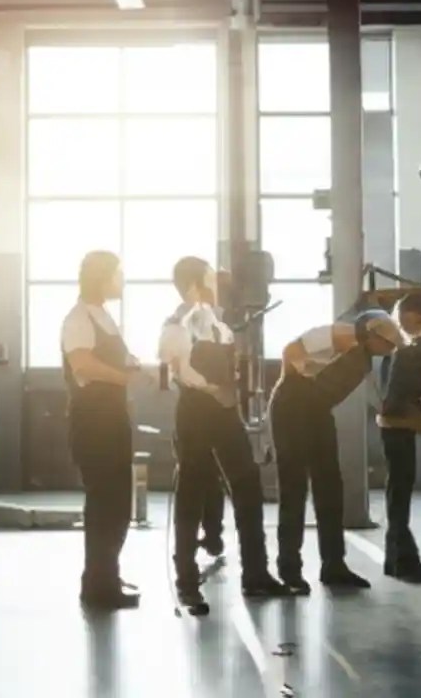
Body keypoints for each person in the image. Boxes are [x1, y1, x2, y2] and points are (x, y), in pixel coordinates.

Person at [159, 257, 290, 610]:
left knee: (247, 483)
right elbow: (177, 368)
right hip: (196, 411)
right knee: (192, 490)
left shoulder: (217, 323)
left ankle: (256, 574)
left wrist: (229, 392)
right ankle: (186, 582)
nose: (218, 285)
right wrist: (213, 390)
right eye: (210, 280)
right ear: (193, 288)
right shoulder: (176, 326)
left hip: (225, 413)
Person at [272, 309, 406, 594]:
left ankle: (334, 565)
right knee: (294, 488)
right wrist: (304, 371)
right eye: (388, 345)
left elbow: (373, 395)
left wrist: (390, 412)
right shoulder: (337, 334)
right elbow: (290, 351)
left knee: (330, 486)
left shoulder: (365, 359)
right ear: (373, 335)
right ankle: (289, 570)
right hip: (291, 405)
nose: (389, 351)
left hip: (319, 411)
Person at [62, 251, 143, 610]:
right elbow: (83, 364)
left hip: (112, 419)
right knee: (103, 503)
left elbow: (111, 359)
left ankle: (107, 573)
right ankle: (97, 585)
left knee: (117, 503)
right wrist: (124, 376)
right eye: (118, 274)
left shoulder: (103, 317)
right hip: (93, 421)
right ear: (102, 277)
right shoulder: (78, 318)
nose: (122, 280)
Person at [375, 291, 421, 583]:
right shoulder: (408, 351)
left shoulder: (403, 347)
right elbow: (397, 404)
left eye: (416, 322)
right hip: (397, 427)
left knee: (397, 494)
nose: (412, 327)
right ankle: (403, 561)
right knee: (399, 495)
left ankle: (396, 560)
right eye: (409, 322)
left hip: (394, 425)